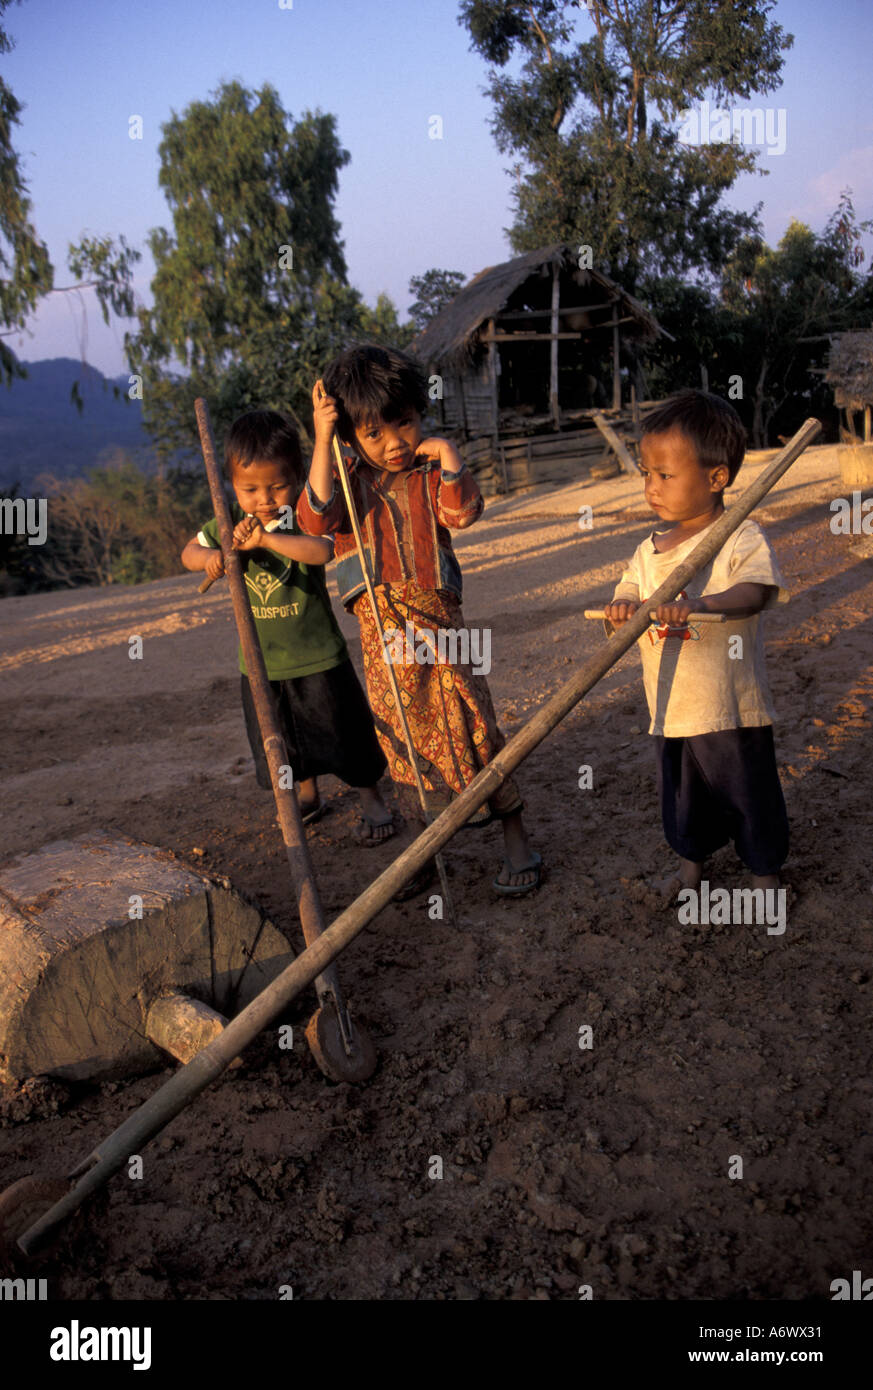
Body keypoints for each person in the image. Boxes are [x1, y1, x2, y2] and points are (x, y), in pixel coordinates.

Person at [296, 344, 541, 896]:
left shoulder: (431, 473)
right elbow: (314, 521)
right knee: (404, 743)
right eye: (374, 433)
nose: (394, 443)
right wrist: (321, 437)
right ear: (351, 437)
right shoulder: (346, 481)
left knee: (475, 723)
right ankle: (425, 856)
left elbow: (463, 513)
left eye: (404, 423)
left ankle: (516, 840)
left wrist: (449, 455)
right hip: (382, 635)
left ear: (419, 414)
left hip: (442, 624)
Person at [604, 389, 789, 900]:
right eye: (646, 473)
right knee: (683, 800)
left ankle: (764, 878)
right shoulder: (649, 548)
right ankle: (691, 870)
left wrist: (701, 605)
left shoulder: (740, 536)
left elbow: (753, 594)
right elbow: (627, 591)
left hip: (730, 708)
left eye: (665, 474)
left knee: (749, 796)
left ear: (716, 478)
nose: (651, 486)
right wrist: (621, 607)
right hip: (671, 708)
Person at [181, 408, 395, 843]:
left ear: (296, 476)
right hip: (261, 665)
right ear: (231, 484)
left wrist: (265, 540)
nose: (264, 498)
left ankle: (373, 799)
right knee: (281, 741)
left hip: (317, 657)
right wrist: (213, 558)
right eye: (250, 489)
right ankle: (307, 794)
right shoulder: (225, 525)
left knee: (345, 733)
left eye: (276, 485)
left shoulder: (301, 515)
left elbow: (322, 552)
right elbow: (189, 552)